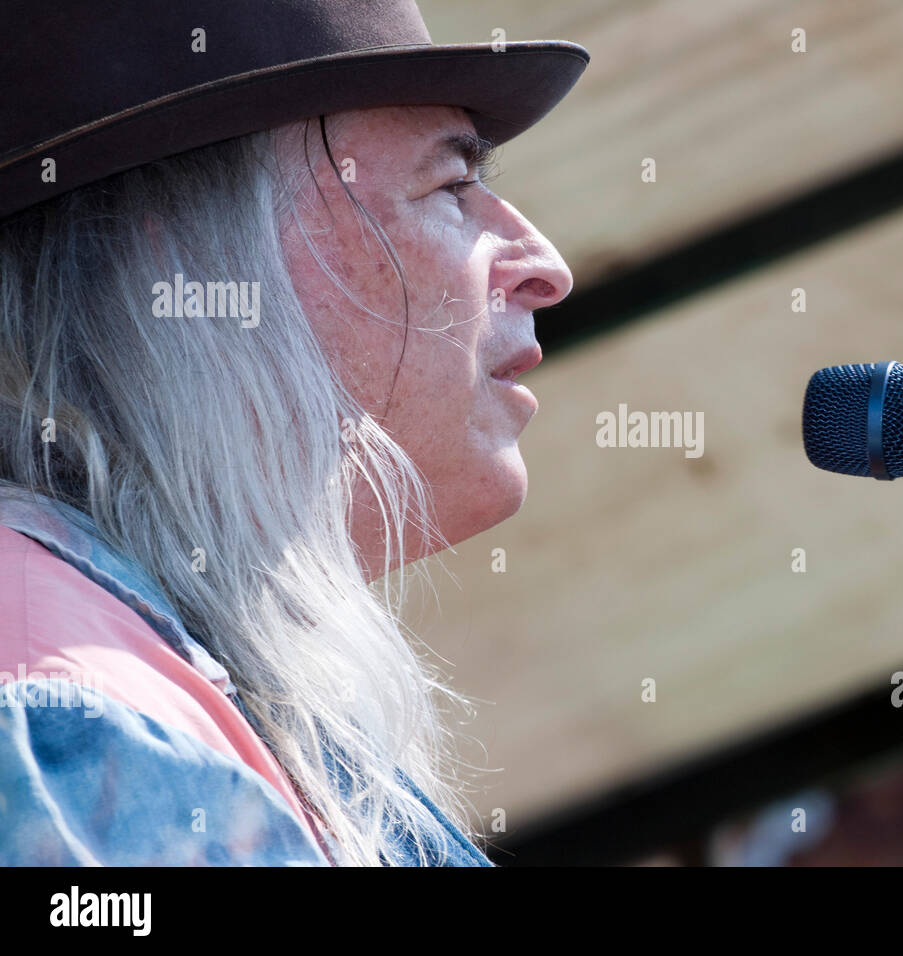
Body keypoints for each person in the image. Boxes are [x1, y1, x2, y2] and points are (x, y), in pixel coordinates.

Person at [0, 1, 587, 865]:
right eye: (452, 186)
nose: (545, 265)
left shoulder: (129, 677)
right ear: (188, 272)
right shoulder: (72, 715)